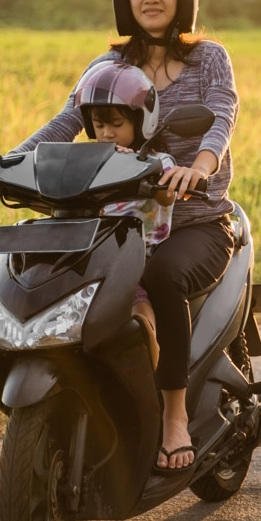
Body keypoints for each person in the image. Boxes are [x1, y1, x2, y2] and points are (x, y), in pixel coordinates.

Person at [0, 0, 238, 475]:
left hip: (193, 221)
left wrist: (198, 168)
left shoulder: (208, 59)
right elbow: (64, 124)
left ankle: (174, 414)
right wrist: (3, 168)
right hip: (119, 217)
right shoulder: (107, 64)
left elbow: (221, 117)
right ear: (122, 2)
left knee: (162, 276)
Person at [76, 59, 175, 369]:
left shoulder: (157, 160)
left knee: (136, 300)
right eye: (99, 124)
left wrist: (137, 167)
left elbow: (169, 192)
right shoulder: (89, 160)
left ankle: (147, 361)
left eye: (116, 125)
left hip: (137, 255)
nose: (106, 133)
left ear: (141, 120)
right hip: (96, 253)